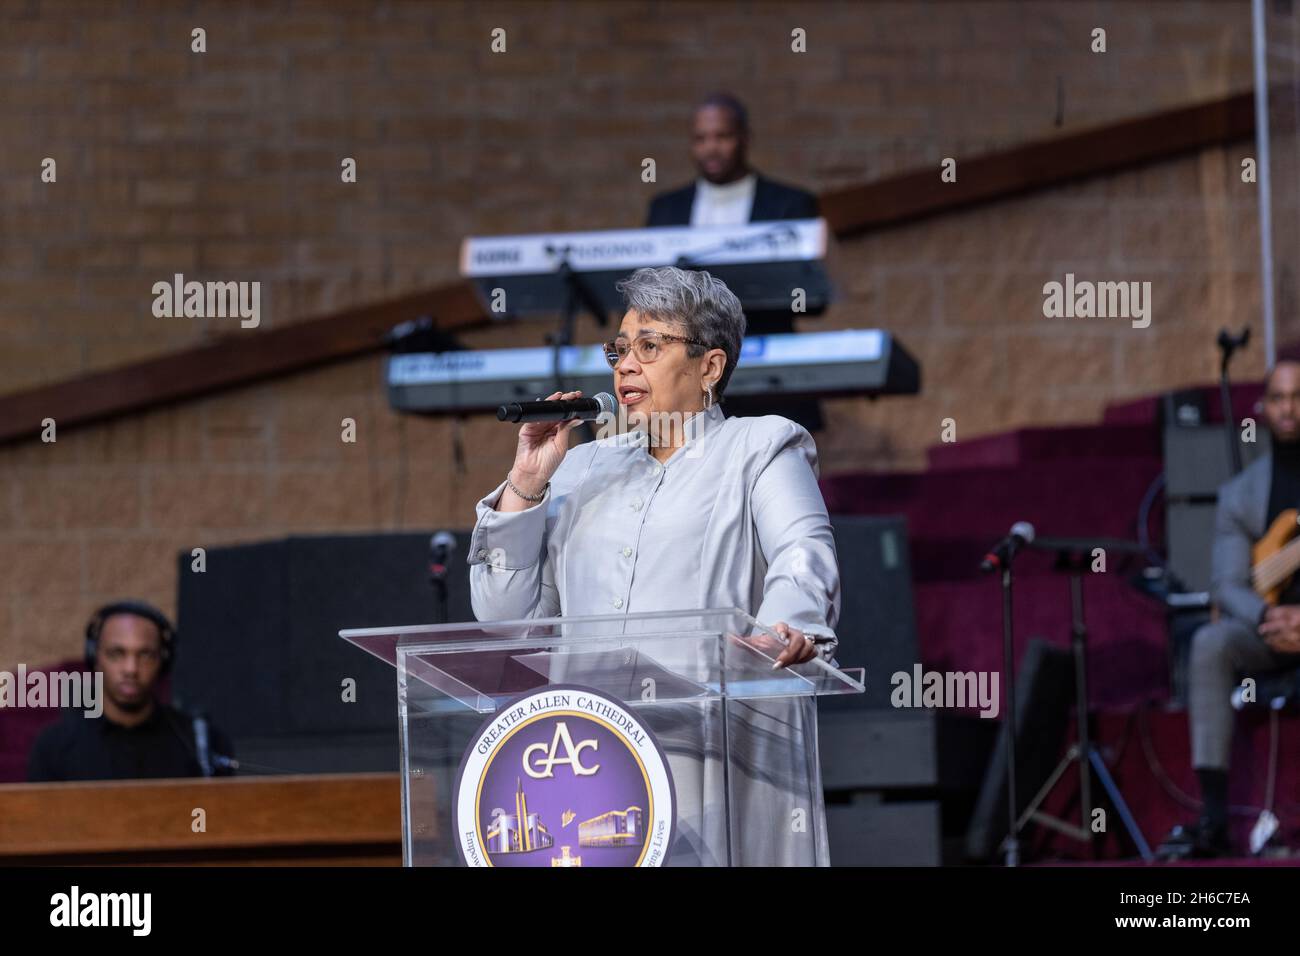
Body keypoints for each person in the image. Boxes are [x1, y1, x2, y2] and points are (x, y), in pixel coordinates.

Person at [467, 266, 841, 865]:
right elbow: (503, 620)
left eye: (650, 346)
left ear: (709, 367)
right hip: (589, 763)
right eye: (619, 349)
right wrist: (527, 483)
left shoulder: (760, 447)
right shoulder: (580, 467)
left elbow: (802, 555)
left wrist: (782, 630)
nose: (624, 365)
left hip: (710, 755)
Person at [1157, 361, 1300, 859]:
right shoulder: (1241, 494)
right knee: (1208, 641)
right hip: (1272, 630)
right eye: (1279, 398)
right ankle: (1214, 816)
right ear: (1263, 408)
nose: (1289, 408)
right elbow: (1227, 583)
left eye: (1298, 396)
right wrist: (1268, 618)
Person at [646, 92, 824, 432]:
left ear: (744, 138)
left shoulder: (789, 204)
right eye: (701, 139)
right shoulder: (666, 209)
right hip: (686, 379)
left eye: (722, 136)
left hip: (769, 375)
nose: (711, 148)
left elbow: (811, 298)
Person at [27, 600, 234, 782]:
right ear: (95, 658)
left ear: (163, 662)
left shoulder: (201, 742)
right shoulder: (54, 747)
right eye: (117, 653)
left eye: (145, 655)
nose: (131, 669)